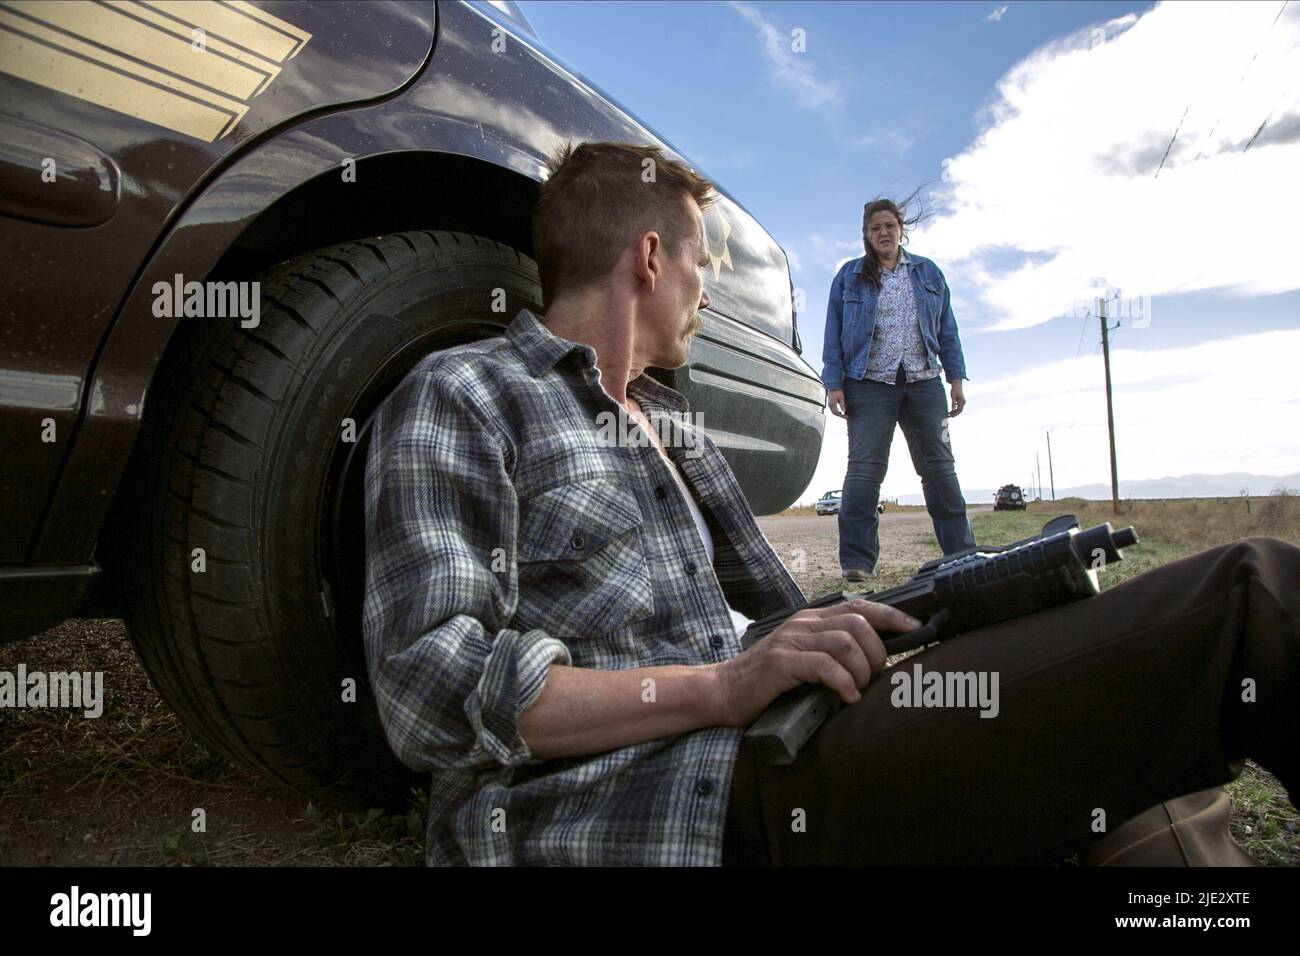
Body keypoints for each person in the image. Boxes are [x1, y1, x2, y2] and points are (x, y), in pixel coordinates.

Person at [362, 140, 1300, 866]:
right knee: (1251, 600)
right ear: (650, 258)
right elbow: (427, 691)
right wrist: (722, 688)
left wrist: (952, 599)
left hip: (793, 734)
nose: (706, 294)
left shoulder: (673, 428)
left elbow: (785, 618)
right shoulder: (466, 395)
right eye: (701, 265)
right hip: (671, 801)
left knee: (1133, 752)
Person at [822, 199, 977, 581]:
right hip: (868, 384)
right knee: (864, 472)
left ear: (900, 229)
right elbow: (833, 334)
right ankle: (857, 563)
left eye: (889, 225)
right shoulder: (848, 277)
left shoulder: (928, 273)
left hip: (925, 382)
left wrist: (955, 378)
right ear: (866, 235)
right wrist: (834, 383)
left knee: (940, 469)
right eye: (875, 228)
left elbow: (948, 330)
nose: (884, 233)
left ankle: (962, 553)